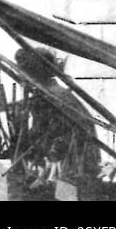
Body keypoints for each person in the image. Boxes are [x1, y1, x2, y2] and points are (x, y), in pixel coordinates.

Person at [15, 46, 101, 191]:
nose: (20, 79)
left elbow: (47, 134)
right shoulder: (57, 93)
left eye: (22, 73)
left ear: (33, 74)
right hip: (81, 166)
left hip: (74, 169)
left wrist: (38, 150)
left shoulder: (46, 97)